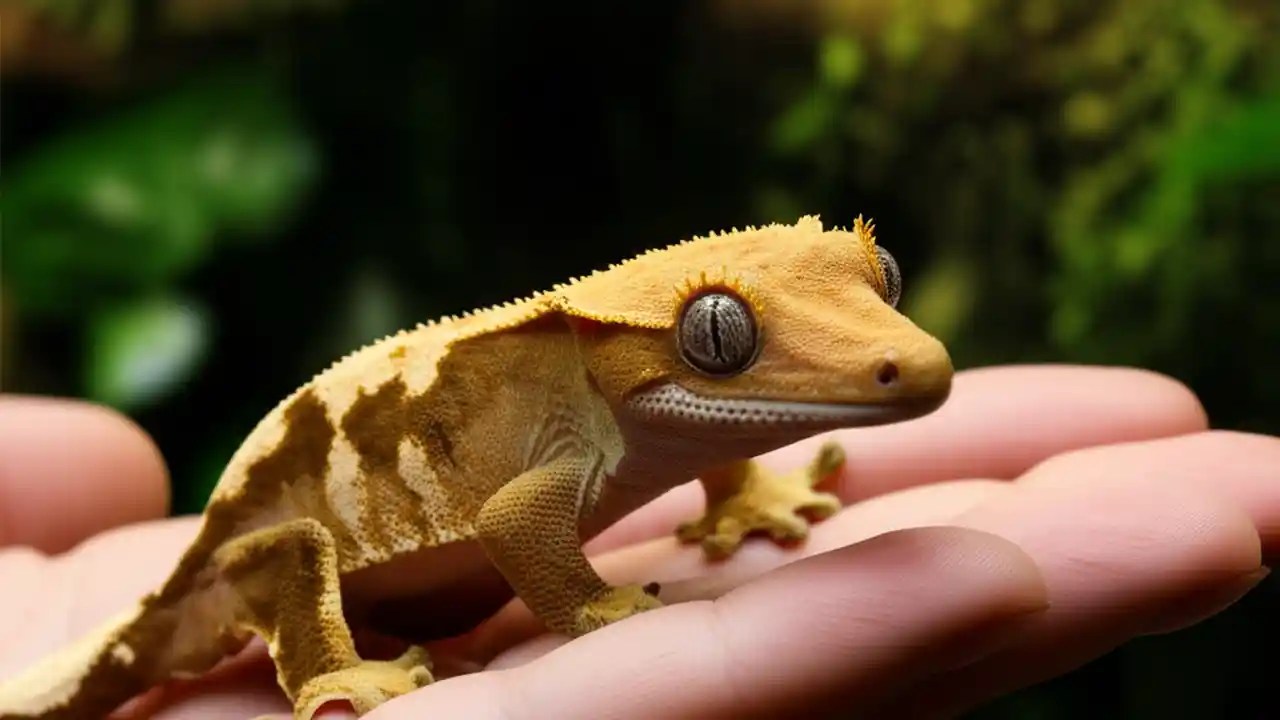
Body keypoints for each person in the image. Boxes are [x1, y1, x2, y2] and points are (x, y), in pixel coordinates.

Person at [0, 364, 1274, 719]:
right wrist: (586, 609)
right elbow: (512, 519)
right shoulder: (578, 409)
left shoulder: (646, 399)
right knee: (286, 565)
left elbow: (710, 415)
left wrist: (737, 499)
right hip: (264, 568)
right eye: (721, 336)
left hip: (392, 580)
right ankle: (318, 665)